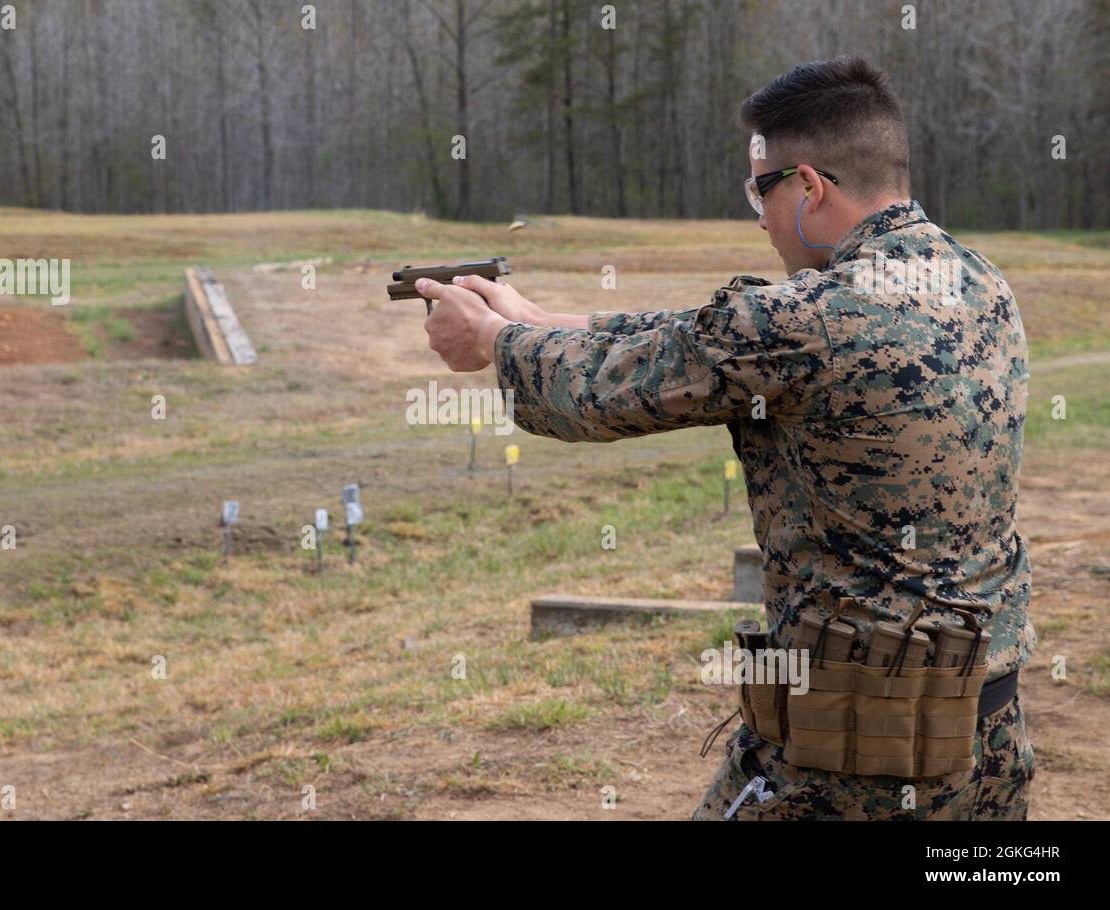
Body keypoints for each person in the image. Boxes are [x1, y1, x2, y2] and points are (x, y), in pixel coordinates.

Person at [414, 55, 1035, 820]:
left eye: (761, 191)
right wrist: (531, 318)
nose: (761, 217)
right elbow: (697, 341)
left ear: (809, 187)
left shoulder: (806, 321)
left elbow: (604, 397)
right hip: (988, 742)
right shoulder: (979, 283)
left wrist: (494, 344)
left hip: (851, 758)